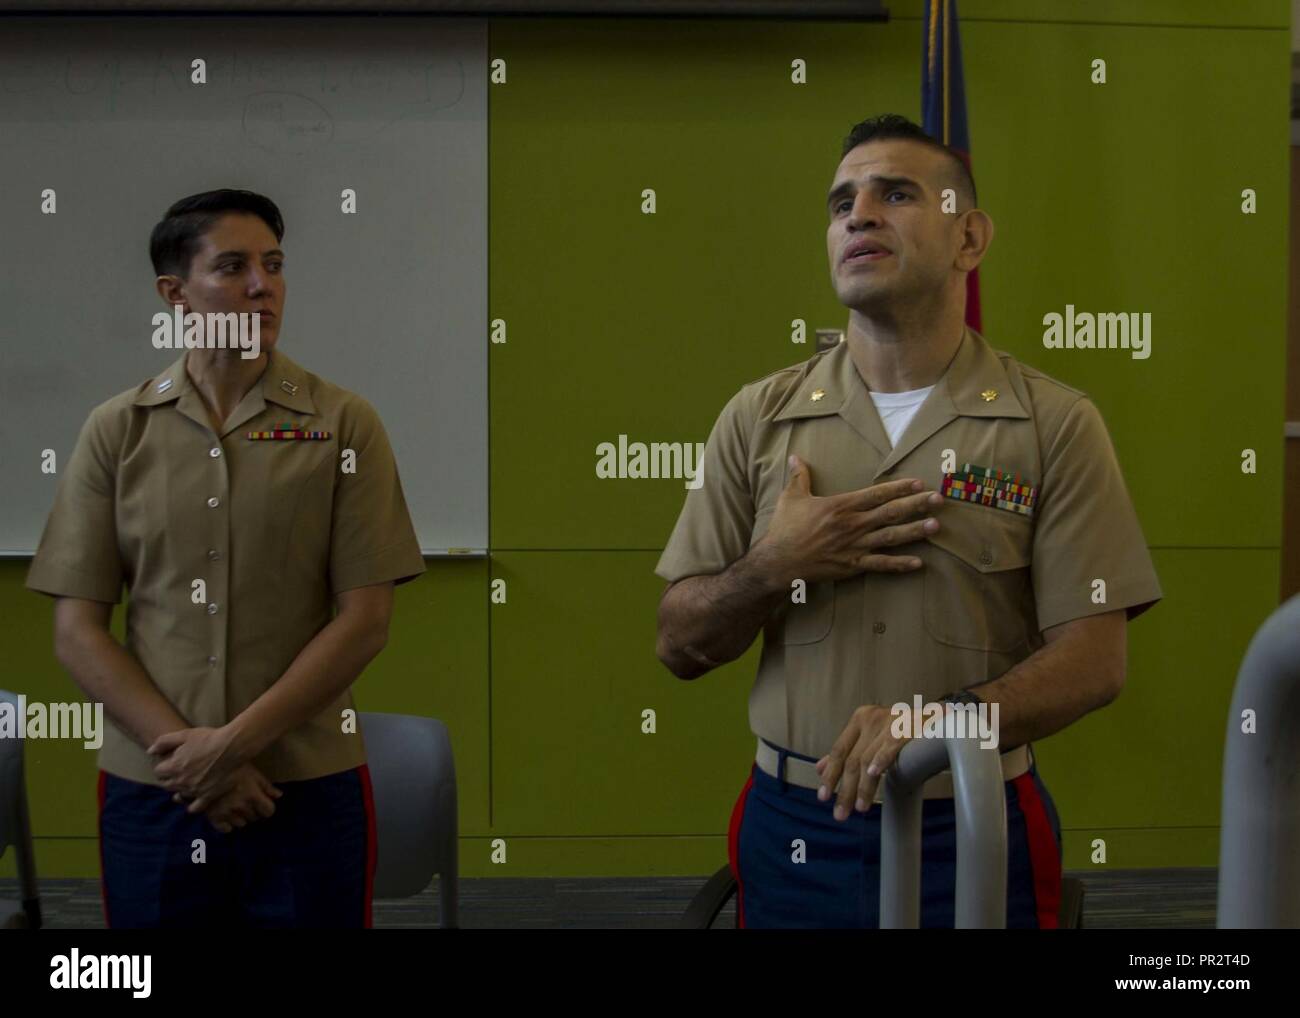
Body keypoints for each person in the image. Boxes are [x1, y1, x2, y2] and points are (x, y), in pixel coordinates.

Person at [654, 115, 1162, 928]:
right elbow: (679, 644)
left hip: (969, 821)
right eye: (841, 203)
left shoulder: (1056, 423)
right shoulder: (757, 417)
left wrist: (939, 721)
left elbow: (1095, 662)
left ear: (970, 237)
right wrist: (775, 563)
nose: (858, 215)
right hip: (796, 830)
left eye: (895, 194)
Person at [26, 189, 426, 928]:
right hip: (158, 789)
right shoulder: (117, 431)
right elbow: (77, 631)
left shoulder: (343, 425)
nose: (260, 286)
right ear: (174, 293)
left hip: (305, 787)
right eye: (233, 266)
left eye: (273, 266)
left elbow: (366, 619)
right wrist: (192, 762)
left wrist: (234, 747)